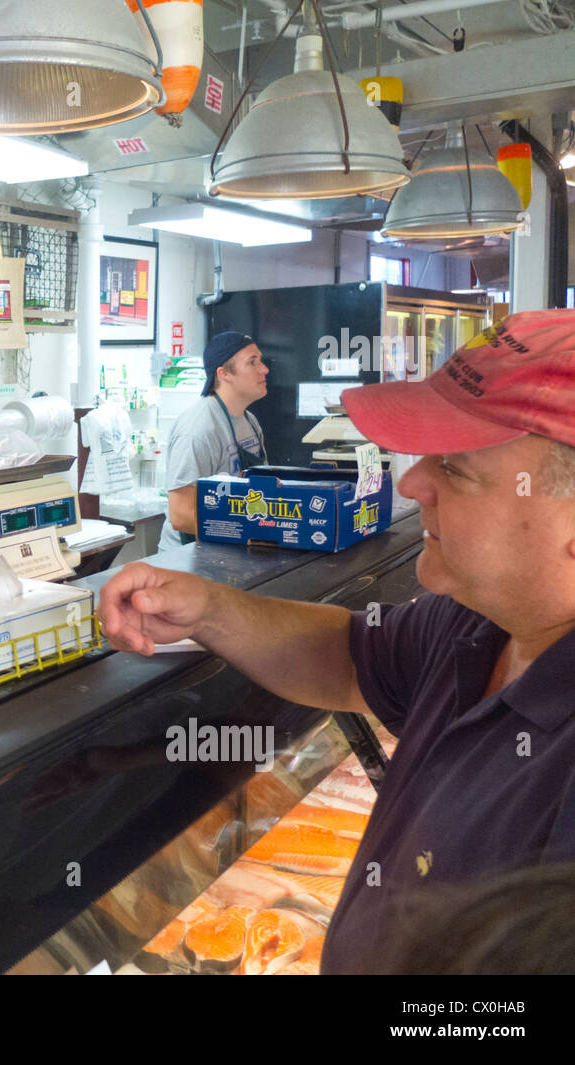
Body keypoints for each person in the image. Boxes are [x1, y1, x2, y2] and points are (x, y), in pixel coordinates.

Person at [99, 309, 575, 974]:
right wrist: (208, 608)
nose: (413, 482)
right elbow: (350, 653)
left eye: (457, 469)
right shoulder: (475, 624)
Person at [158, 331, 270, 551]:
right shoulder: (197, 429)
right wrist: (247, 532)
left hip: (231, 551)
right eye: (252, 362)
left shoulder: (251, 422)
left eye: (261, 360)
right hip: (187, 561)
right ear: (224, 373)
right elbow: (180, 515)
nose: (264, 369)